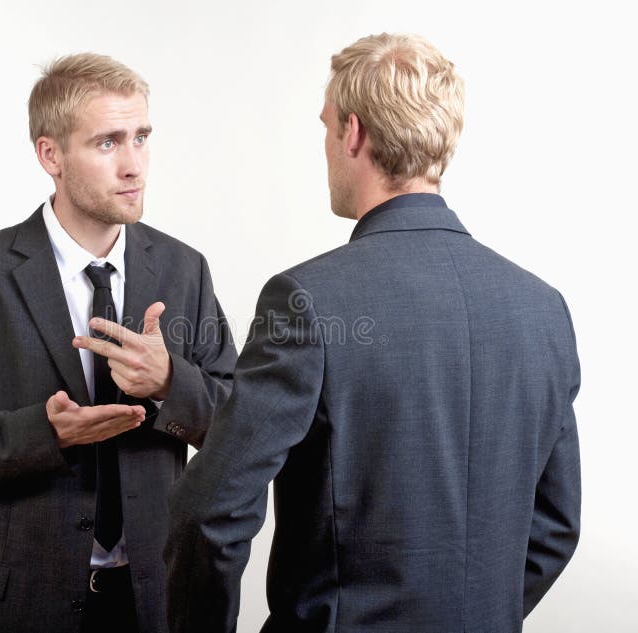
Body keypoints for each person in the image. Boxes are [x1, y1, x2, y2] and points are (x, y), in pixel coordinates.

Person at [165, 33, 581, 633]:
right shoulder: (545, 308)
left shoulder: (304, 301)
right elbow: (555, 524)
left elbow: (210, 510)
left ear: (353, 133)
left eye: (327, 126)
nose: (328, 145)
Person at [0, 53, 236, 633]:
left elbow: (241, 424)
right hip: (15, 607)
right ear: (50, 155)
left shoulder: (185, 270)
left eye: (141, 138)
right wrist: (42, 434)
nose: (134, 166)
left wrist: (171, 384)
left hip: (156, 603)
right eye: (107, 143)